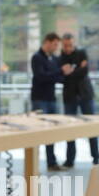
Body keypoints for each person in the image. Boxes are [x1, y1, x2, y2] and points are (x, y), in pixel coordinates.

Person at [30, 32, 68, 171]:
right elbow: (41, 77)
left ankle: (51, 163)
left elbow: (55, 78)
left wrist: (62, 73)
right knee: (38, 132)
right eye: (55, 44)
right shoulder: (37, 58)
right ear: (47, 42)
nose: (56, 47)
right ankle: (32, 164)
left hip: (51, 99)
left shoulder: (53, 59)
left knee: (51, 132)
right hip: (39, 99)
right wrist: (59, 71)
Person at [60, 33, 99, 167]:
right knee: (70, 129)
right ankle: (70, 159)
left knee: (91, 126)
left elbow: (85, 71)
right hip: (70, 97)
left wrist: (71, 71)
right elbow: (62, 76)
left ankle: (96, 157)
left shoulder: (82, 53)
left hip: (85, 95)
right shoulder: (60, 58)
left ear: (74, 43)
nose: (68, 48)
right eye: (65, 45)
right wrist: (77, 68)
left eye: (70, 45)